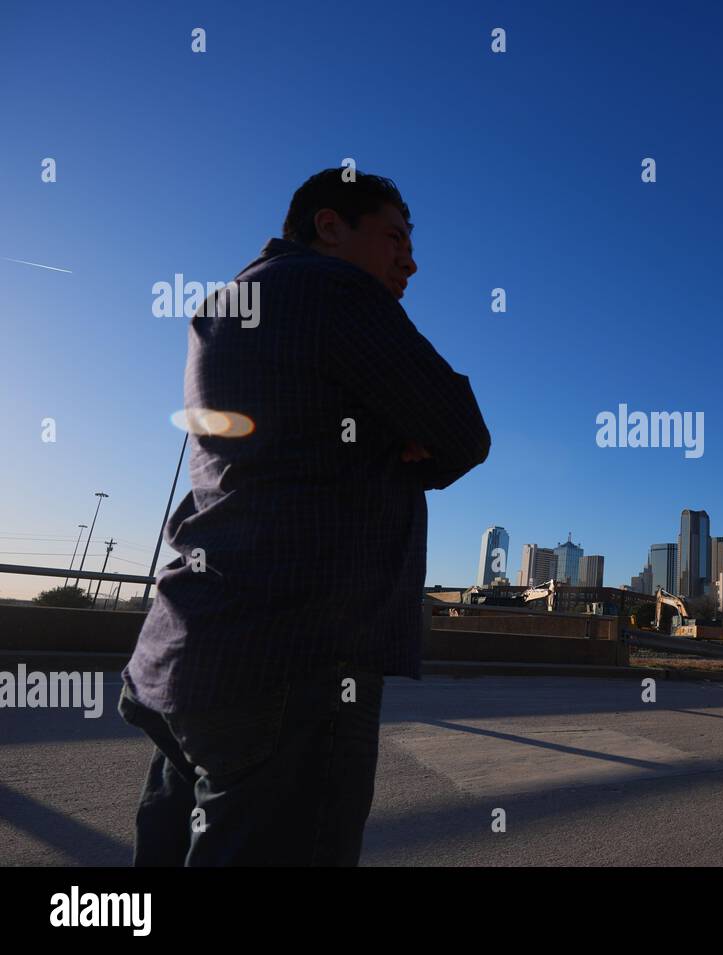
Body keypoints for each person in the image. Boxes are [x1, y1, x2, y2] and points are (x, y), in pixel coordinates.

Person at [118, 168, 491, 866]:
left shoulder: (228, 302)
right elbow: (464, 431)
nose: (410, 259)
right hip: (295, 661)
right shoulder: (333, 287)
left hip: (187, 654)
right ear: (329, 227)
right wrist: (411, 450)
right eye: (393, 237)